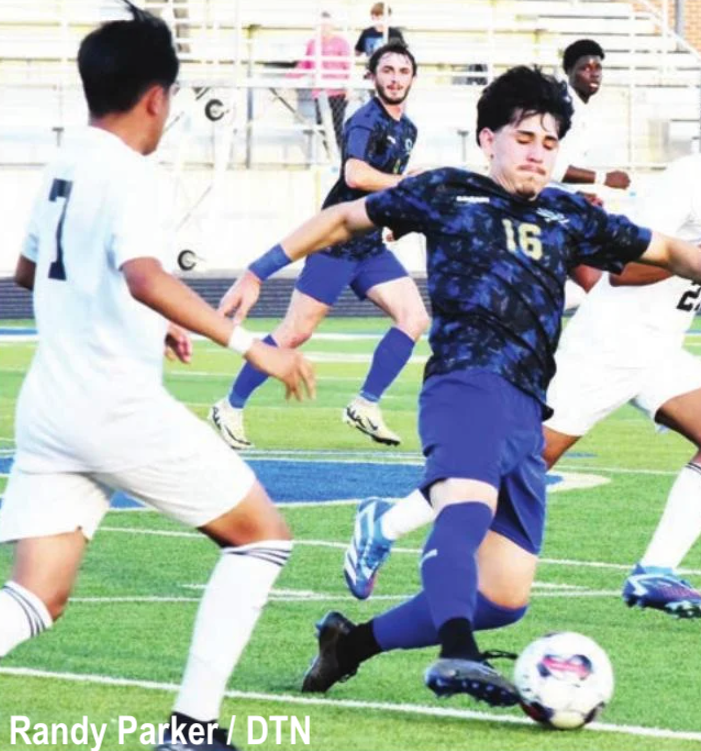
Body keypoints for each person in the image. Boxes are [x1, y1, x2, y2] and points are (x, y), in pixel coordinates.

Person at [218, 66, 701, 705]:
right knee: (465, 508)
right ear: (489, 140)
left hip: (528, 402)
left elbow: (670, 251)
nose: (538, 153)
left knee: (504, 598)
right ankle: (457, 654)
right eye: (524, 138)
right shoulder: (448, 191)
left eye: (549, 142)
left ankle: (350, 645)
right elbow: (345, 218)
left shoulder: (569, 213)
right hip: (465, 385)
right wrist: (259, 270)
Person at [340, 75, 701, 619]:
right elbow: (622, 272)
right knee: (513, 465)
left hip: (659, 350)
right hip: (607, 346)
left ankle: (655, 570)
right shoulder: (688, 180)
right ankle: (385, 524)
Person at [0, 6, 314, 751]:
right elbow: (143, 275)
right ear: (156, 97)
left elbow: (29, 271)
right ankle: (191, 728)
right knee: (261, 539)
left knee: (36, 595)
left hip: (49, 407)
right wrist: (252, 346)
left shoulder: (66, 162)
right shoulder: (133, 172)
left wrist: (149, 321)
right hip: (114, 407)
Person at [210, 42, 428, 450]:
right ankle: (229, 405)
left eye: (403, 71)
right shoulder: (365, 121)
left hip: (369, 246)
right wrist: (408, 184)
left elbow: (380, 191)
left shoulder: (408, 130)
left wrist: (396, 219)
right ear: (372, 76)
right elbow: (357, 175)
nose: (396, 78)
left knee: (414, 317)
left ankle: (365, 404)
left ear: (413, 78)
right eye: (387, 70)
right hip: (335, 243)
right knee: (295, 333)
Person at [552, 39, 632, 193]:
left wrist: (579, 193)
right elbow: (549, 167)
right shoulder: (562, 106)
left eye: (598, 68)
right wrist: (604, 178)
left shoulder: (579, 106)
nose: (594, 74)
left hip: (561, 193)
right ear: (569, 71)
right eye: (586, 68)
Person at [294, 10, 352, 153]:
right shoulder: (313, 44)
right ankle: (330, 154)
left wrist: (349, 87)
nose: (324, 29)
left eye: (326, 25)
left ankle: (340, 155)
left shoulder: (341, 43)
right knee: (322, 125)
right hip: (320, 91)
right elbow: (305, 64)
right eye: (321, 25)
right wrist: (290, 79)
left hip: (338, 91)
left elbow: (348, 66)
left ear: (332, 26)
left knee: (337, 125)